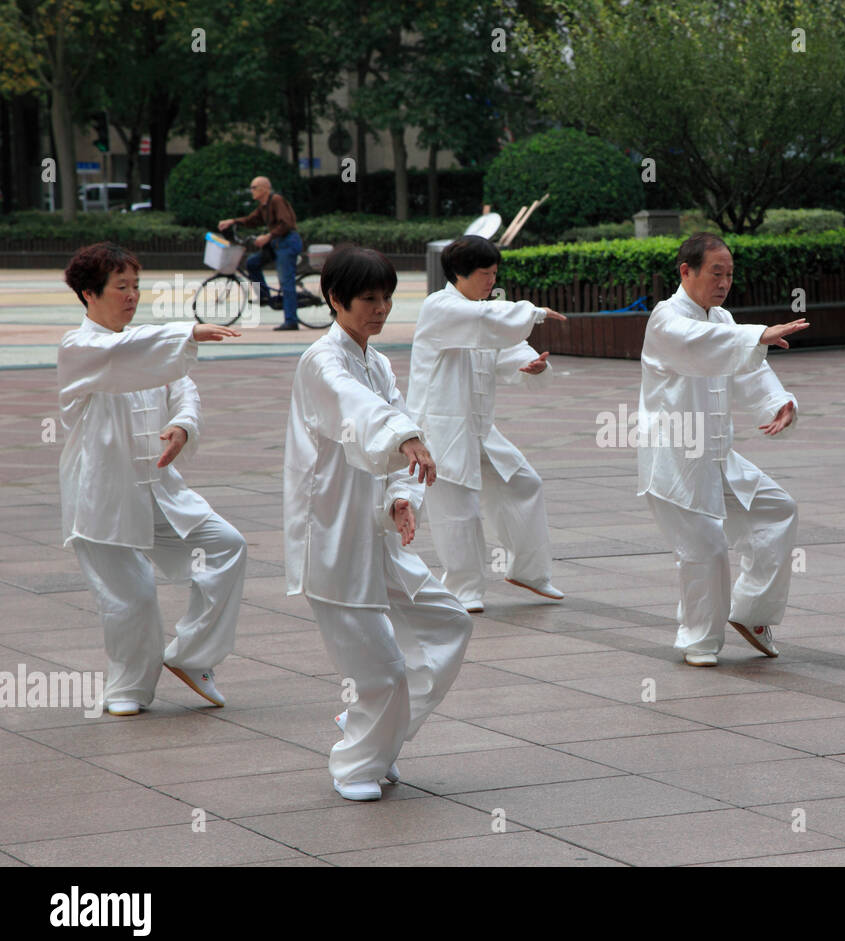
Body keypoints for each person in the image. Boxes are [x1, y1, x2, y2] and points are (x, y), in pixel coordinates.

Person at [284, 245, 471, 801]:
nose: (381, 308)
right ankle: (355, 765)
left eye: (388, 297)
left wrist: (400, 497)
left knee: (450, 625)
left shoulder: (378, 361)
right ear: (335, 300)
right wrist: (404, 436)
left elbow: (387, 444)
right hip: (336, 540)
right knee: (381, 674)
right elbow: (357, 412)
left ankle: (375, 732)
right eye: (368, 298)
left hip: (378, 536)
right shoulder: (322, 361)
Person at [59, 242, 245, 716]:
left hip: (159, 488)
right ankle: (127, 688)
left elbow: (184, 389)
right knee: (132, 597)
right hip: (104, 495)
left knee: (225, 546)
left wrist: (183, 426)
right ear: (88, 294)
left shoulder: (148, 348)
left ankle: (192, 655)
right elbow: (128, 355)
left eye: (136, 286)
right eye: (121, 287)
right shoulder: (79, 348)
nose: (132, 296)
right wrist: (189, 332)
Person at [640, 232, 809, 666]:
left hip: (718, 458)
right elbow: (700, 347)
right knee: (706, 550)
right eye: (716, 273)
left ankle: (751, 612)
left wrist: (780, 401)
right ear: (686, 271)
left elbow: (748, 372)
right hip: (676, 460)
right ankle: (697, 638)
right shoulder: (664, 319)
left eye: (730, 274)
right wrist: (758, 336)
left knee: (778, 509)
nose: (724, 282)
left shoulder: (724, 320)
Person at [407, 236, 568, 613]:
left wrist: (533, 365)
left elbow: (507, 346)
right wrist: (536, 313)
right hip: (442, 431)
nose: (491, 281)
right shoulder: (440, 307)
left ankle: (528, 571)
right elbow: (486, 323)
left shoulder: (483, 313)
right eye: (484, 274)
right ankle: (464, 589)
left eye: (495, 274)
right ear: (459, 274)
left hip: (479, 431)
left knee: (524, 482)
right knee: (457, 509)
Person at [218, 176, 303, 331]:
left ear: (265, 188)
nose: (251, 191)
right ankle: (264, 296)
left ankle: (291, 321)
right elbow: (251, 220)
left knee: (286, 281)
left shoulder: (276, 200)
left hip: (287, 243)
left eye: (254, 187)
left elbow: (287, 223)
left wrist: (268, 236)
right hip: (276, 243)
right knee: (252, 263)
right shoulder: (263, 206)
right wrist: (233, 221)